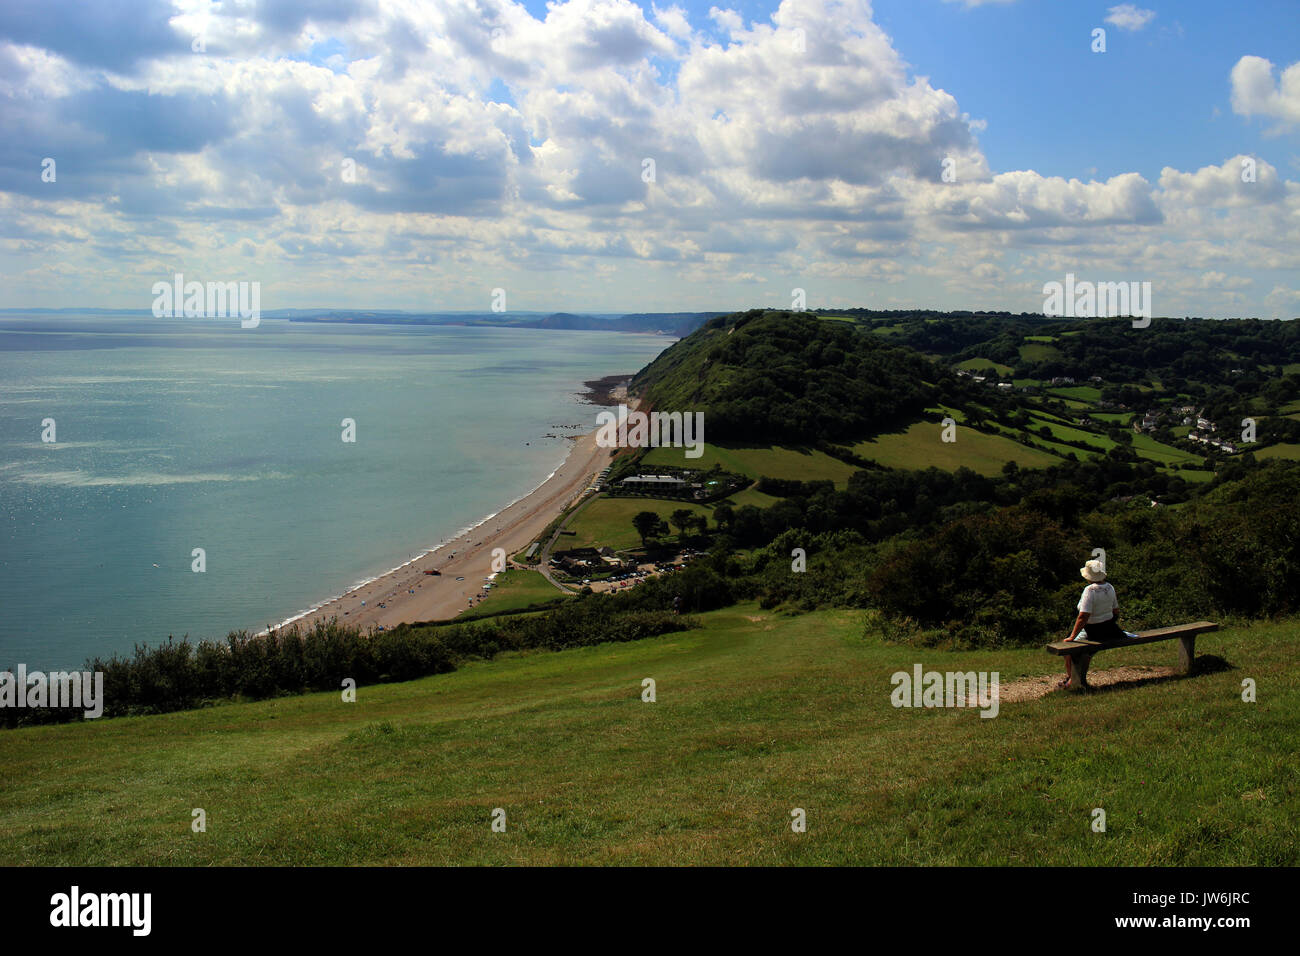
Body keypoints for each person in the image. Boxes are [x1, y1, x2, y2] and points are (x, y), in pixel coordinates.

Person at [1060, 559, 1124, 689]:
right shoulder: (1109, 587)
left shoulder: (1090, 590)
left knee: (1067, 648)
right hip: (1109, 629)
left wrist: (1072, 636)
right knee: (1087, 652)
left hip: (1092, 630)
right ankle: (1076, 678)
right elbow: (1116, 611)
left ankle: (1072, 680)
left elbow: (1083, 616)